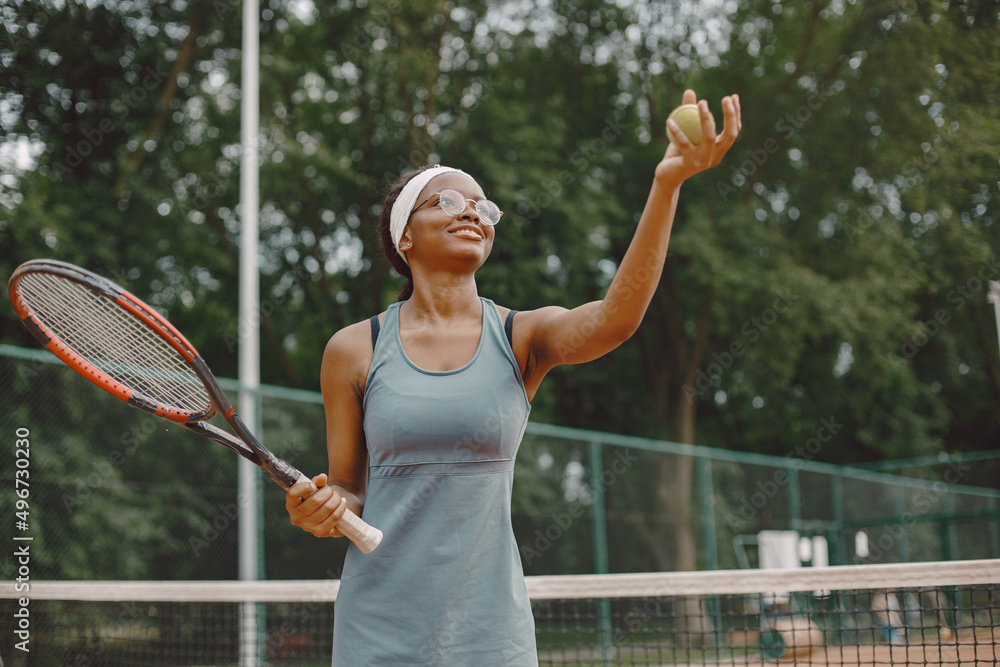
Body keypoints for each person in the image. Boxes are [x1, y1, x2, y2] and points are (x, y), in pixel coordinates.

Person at [285, 89, 742, 665]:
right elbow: (350, 488)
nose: (472, 211)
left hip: (491, 631)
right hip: (378, 629)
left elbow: (615, 320)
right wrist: (322, 510)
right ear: (405, 235)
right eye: (446, 201)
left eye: (484, 206)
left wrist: (667, 184)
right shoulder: (353, 349)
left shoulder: (523, 337)